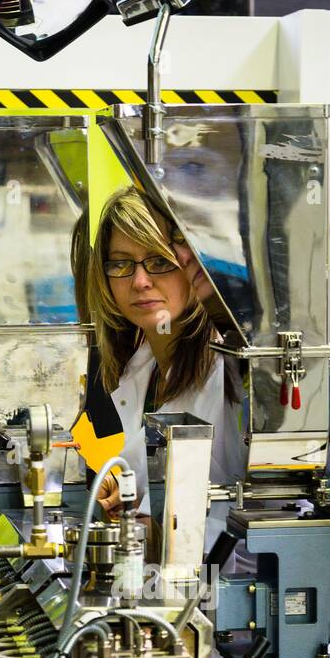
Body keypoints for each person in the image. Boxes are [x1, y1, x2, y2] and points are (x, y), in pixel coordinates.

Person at [85, 187, 246, 533]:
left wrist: (159, 533)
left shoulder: (228, 369)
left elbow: (265, 516)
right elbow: (155, 485)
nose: (140, 282)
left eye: (159, 262)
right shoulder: (142, 366)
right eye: (122, 264)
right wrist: (125, 494)